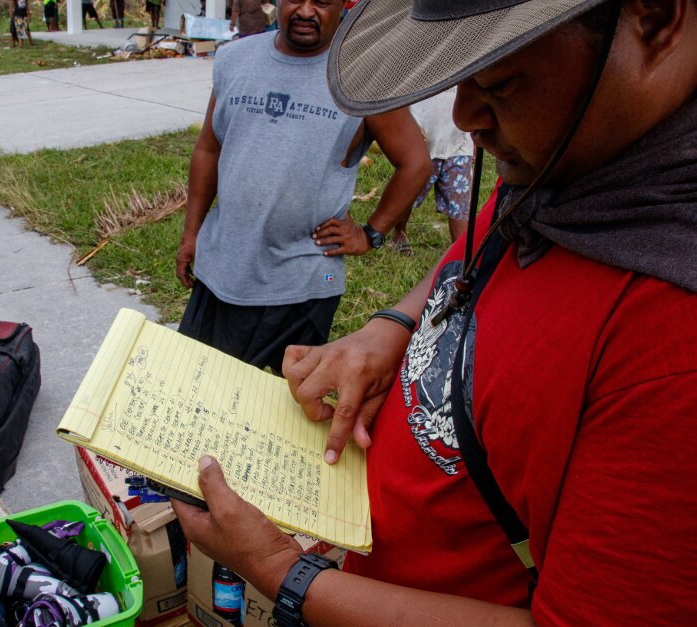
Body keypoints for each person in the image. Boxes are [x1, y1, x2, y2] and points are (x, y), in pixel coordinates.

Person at [173, 0, 697, 623]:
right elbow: (484, 238)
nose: (463, 115)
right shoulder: (576, 161)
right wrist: (390, 327)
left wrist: (280, 572)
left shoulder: (673, 345)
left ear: (658, 21)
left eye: (498, 80)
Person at [176, 0, 430, 374]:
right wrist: (192, 232)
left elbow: (415, 163)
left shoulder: (361, 75)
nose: (306, 11)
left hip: (301, 285)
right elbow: (209, 150)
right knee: (194, 387)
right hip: (221, 269)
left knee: (275, 416)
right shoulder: (234, 59)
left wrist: (370, 233)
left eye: (323, 2)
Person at [390, 87, 474, 253]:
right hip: (422, 138)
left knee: (459, 204)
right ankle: (399, 233)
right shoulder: (423, 63)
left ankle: (460, 255)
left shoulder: (468, 63)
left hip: (459, 142)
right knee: (408, 193)